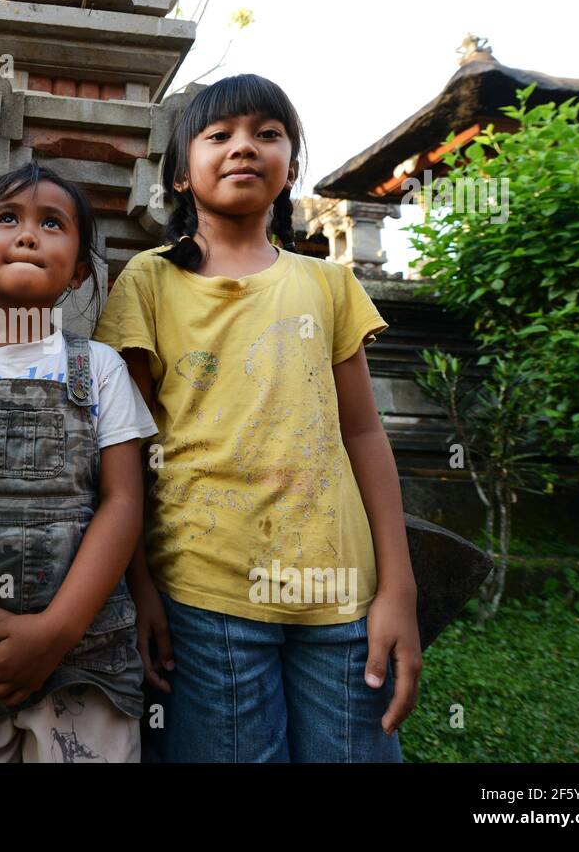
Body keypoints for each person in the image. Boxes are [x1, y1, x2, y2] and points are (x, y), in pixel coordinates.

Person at [92, 74, 422, 763]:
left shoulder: (329, 283)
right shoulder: (150, 282)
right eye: (219, 135)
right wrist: (140, 586)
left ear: (291, 167)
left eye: (266, 134)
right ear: (181, 174)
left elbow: (363, 433)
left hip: (341, 595)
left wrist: (398, 586)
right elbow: (124, 446)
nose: (244, 147)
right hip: (206, 592)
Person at [0, 163, 159, 763]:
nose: (27, 235)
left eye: (52, 223)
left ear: (77, 272)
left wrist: (55, 632)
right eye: (8, 219)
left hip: (85, 660)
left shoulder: (99, 367)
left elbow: (123, 502)